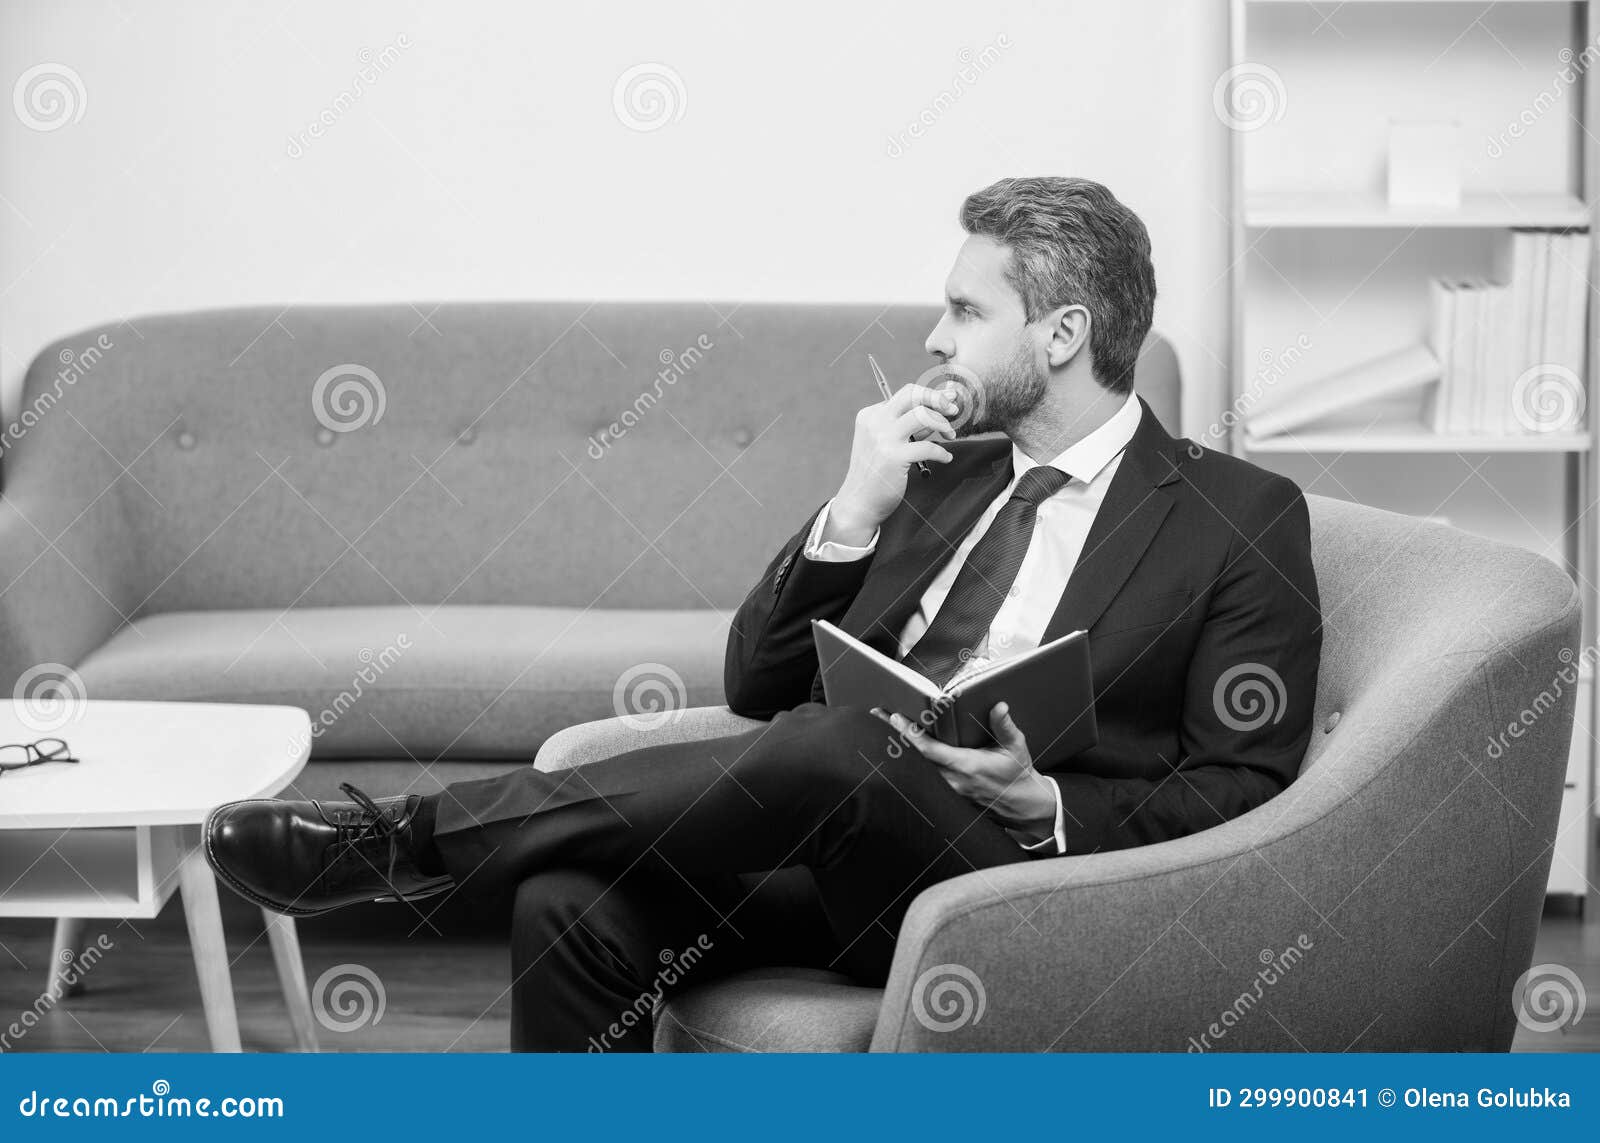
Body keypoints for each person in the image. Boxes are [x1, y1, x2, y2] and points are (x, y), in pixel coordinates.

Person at [204, 176, 1322, 1051]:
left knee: (845, 745)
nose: (934, 340)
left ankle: (410, 842)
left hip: (1023, 893)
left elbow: (1244, 785)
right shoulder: (934, 474)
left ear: (1063, 334)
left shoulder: (1237, 516)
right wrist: (851, 509)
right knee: (567, 900)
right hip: (838, 854)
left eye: (965, 311)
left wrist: (1042, 803)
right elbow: (757, 685)